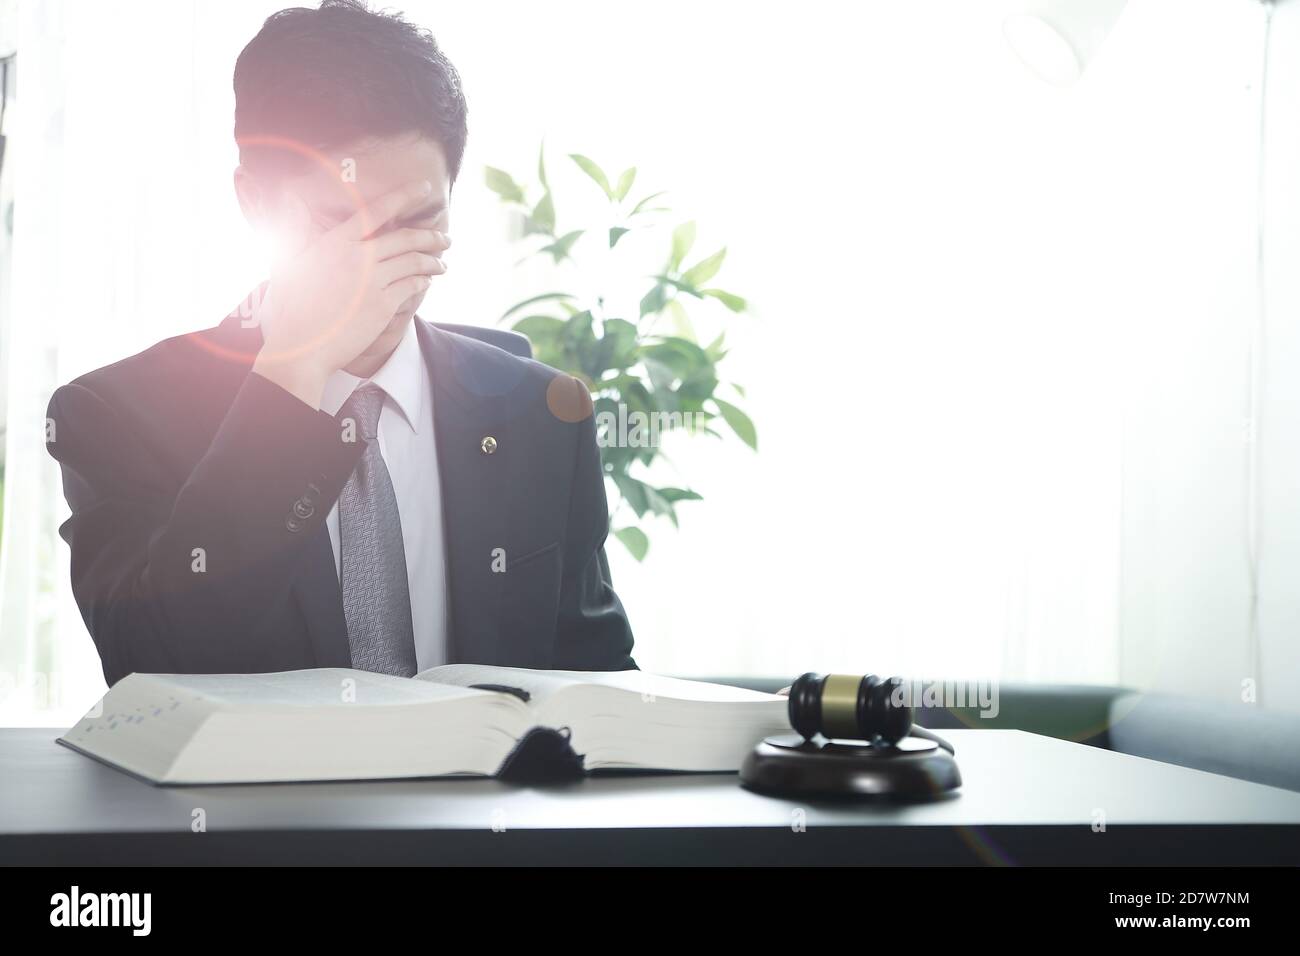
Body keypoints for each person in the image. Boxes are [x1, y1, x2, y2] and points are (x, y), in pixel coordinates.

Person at [44, 0, 635, 687]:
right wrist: (294, 369)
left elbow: (599, 686)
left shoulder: (541, 416)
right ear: (255, 204)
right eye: (340, 225)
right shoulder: (116, 416)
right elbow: (156, 668)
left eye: (417, 220)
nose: (377, 268)